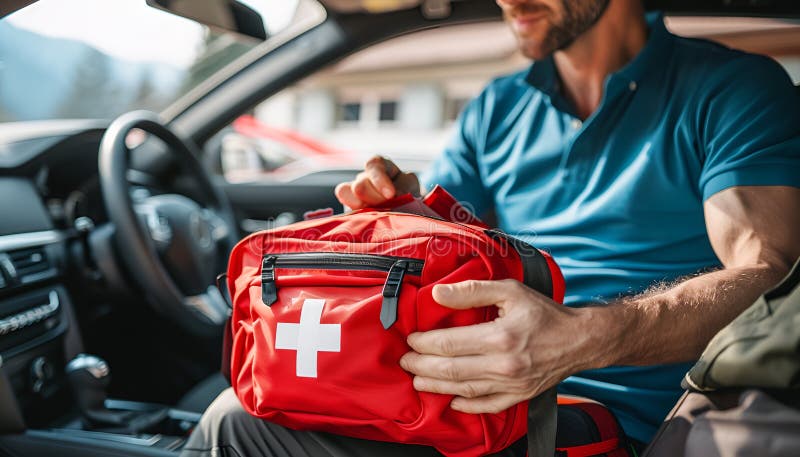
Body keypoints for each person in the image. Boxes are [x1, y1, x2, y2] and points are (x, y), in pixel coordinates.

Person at [182, 0, 800, 455]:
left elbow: (768, 274)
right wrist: (401, 221)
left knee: (239, 422)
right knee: (258, 392)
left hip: (612, 422)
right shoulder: (499, 107)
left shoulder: (731, 90)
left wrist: (587, 337)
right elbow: (452, 240)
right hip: (460, 395)